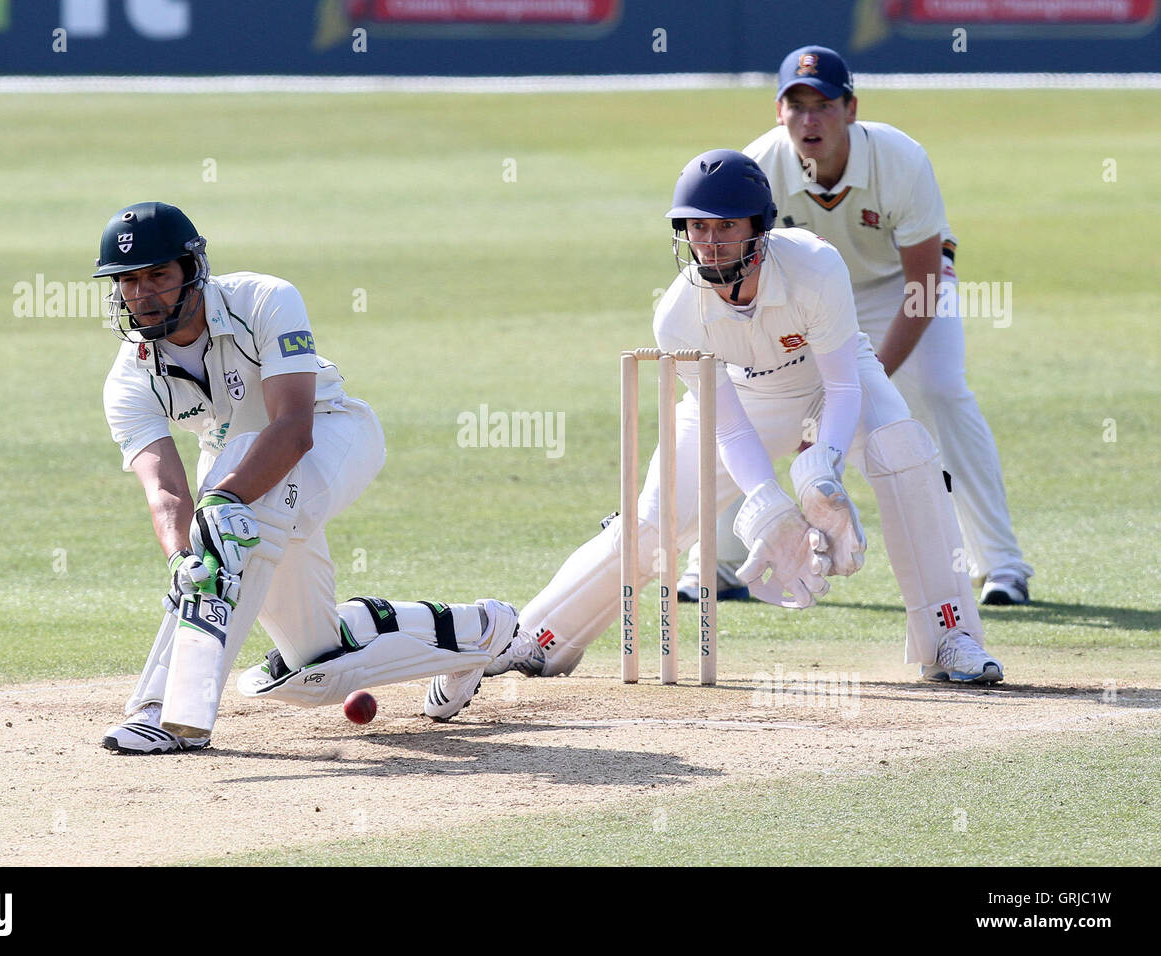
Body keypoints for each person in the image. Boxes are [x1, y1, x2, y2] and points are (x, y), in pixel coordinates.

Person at [464, 149, 1003, 711]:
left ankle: (948, 637)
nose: (711, 240)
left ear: (758, 227)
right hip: (742, 398)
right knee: (653, 520)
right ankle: (539, 636)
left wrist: (823, 470)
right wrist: (768, 501)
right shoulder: (678, 314)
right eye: (698, 226)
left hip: (831, 378)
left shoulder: (815, 268)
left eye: (726, 225)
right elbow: (728, 424)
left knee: (903, 453)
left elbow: (844, 387)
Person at [94, 201, 518, 752]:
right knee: (318, 669)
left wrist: (222, 502)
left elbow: (293, 428)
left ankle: (168, 709)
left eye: (158, 275)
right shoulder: (128, 379)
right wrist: (182, 557)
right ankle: (481, 632)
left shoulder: (265, 298)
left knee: (235, 516)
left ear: (193, 270)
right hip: (233, 472)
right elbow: (166, 490)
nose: (143, 294)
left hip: (332, 435)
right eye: (128, 281)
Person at [679, 45, 1032, 607]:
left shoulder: (899, 158)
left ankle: (1001, 565)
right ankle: (715, 563)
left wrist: (865, 379)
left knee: (940, 393)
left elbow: (923, 285)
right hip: (796, 296)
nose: (809, 119)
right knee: (739, 404)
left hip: (897, 290)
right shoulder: (758, 166)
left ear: (851, 108)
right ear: (778, 112)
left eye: (823, 104)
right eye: (796, 105)